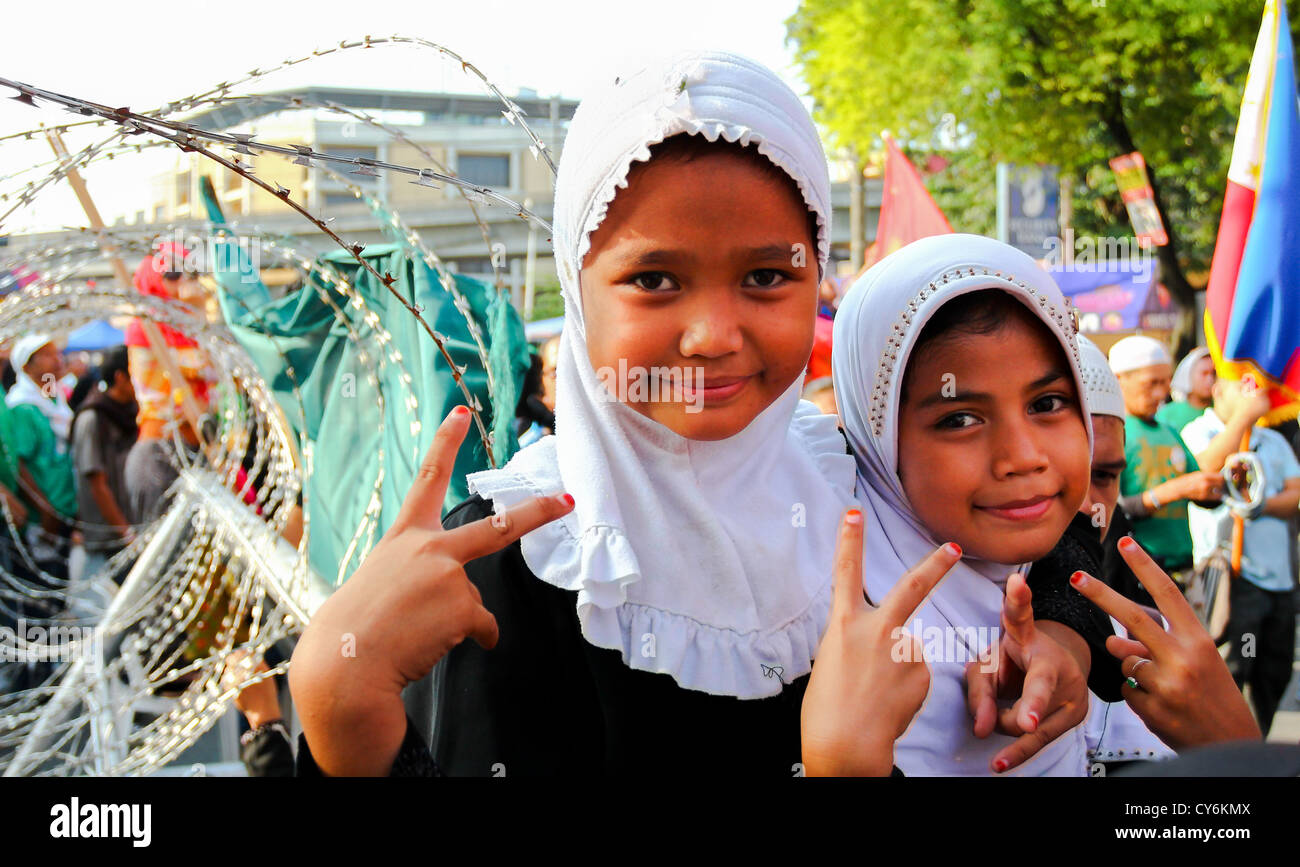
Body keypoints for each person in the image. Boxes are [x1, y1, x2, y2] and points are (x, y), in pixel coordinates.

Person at [831, 233, 1103, 775]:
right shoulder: (807, 618)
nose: (1022, 458)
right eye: (960, 419)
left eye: (1047, 403)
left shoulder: (1109, 601)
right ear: (878, 440)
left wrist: (1068, 633)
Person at [1180, 374, 1300, 734]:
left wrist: (1260, 505)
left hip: (1278, 579)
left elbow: (1294, 494)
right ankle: (1227, 751)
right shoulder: (1198, 431)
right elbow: (1203, 469)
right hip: (1233, 578)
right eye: (1243, 385)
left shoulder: (1273, 440)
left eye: (1257, 387)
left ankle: (1256, 743)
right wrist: (1243, 418)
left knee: (1274, 670)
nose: (1254, 393)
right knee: (1234, 666)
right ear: (1218, 390)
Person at [1109, 335, 1221, 581]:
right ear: (1118, 380)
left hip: (1185, 568)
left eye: (1166, 382)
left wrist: (1217, 487)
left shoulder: (1169, 431)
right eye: (1151, 383)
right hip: (1138, 573)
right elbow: (1110, 509)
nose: (1161, 392)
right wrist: (1173, 491)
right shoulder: (1111, 434)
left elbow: (1199, 488)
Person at [4, 335, 77, 570]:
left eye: (57, 353)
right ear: (27, 366)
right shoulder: (23, 407)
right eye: (46, 355)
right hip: (41, 521)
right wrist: (45, 509)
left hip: (63, 511)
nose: (57, 360)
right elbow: (19, 463)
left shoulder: (54, 400)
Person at [69, 345, 138, 589]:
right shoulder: (92, 418)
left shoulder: (132, 411)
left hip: (135, 528)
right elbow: (96, 484)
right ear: (120, 377)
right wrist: (126, 533)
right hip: (114, 536)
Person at [1156, 346, 1215, 433]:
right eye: (1204, 373)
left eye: (1214, 373)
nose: (1210, 379)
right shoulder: (1166, 415)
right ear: (1189, 375)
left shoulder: (1223, 411)